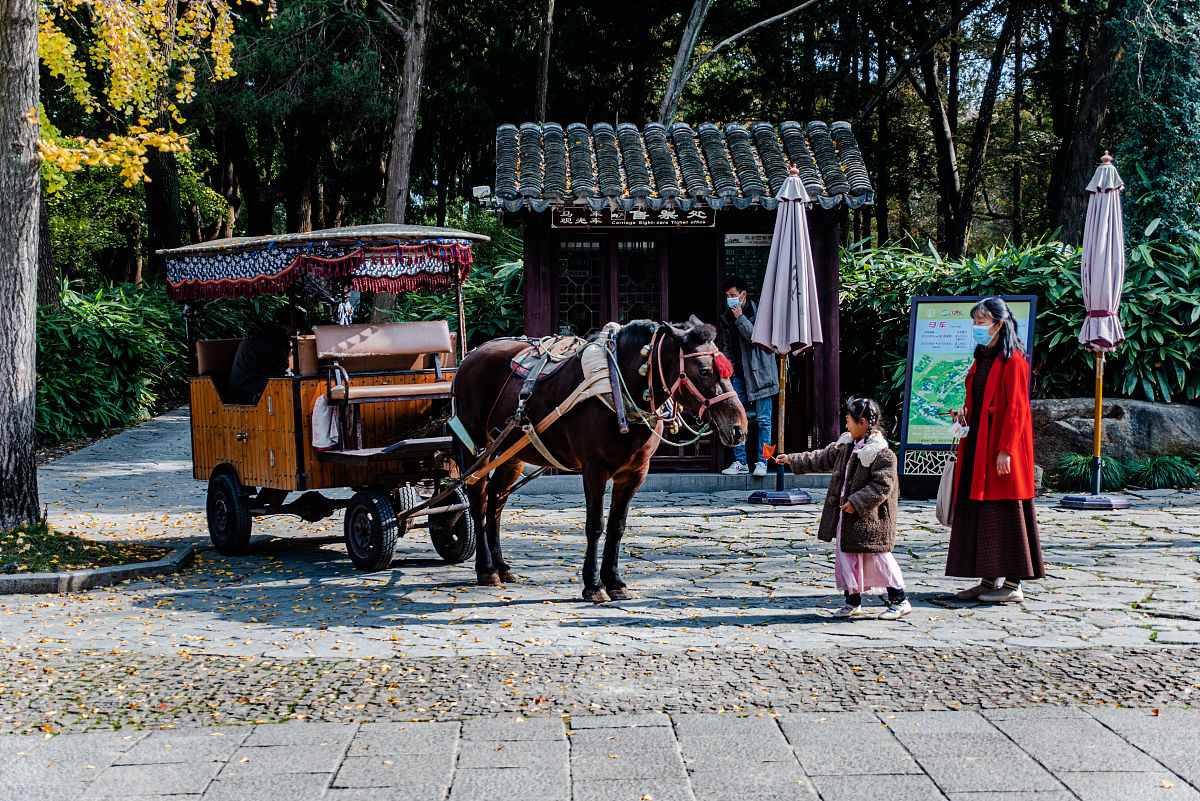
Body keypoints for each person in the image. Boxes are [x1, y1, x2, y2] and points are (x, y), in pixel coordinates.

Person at [775, 398, 910, 620]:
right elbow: (820, 458)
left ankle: (900, 600)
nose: (846, 426)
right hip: (846, 517)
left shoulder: (881, 453)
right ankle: (852, 602)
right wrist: (791, 460)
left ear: (864, 422)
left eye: (849, 421)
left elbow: (883, 485)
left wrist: (857, 502)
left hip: (871, 520)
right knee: (846, 557)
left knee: (879, 557)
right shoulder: (846, 444)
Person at [946, 296, 1044, 603]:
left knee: (1008, 509)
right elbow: (979, 397)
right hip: (979, 443)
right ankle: (988, 580)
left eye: (981, 322)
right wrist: (964, 413)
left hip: (1002, 448)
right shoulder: (982, 358)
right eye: (974, 321)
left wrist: (1006, 450)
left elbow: (1017, 410)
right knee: (982, 509)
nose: (976, 327)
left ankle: (1013, 585)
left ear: (998, 324)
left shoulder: (1015, 361)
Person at [719, 276, 779, 477]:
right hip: (739, 376)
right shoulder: (726, 317)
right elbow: (727, 345)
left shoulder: (760, 313)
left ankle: (763, 461)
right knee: (737, 418)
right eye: (728, 296)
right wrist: (728, 365)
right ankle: (740, 461)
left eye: (733, 295)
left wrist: (740, 319)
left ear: (743, 295)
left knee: (764, 421)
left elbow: (756, 339)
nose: (730, 299)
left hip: (762, 375)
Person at [225, 307, 293, 404]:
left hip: (242, 387)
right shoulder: (273, 341)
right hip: (250, 392)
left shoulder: (262, 334)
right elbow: (282, 372)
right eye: (296, 330)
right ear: (287, 328)